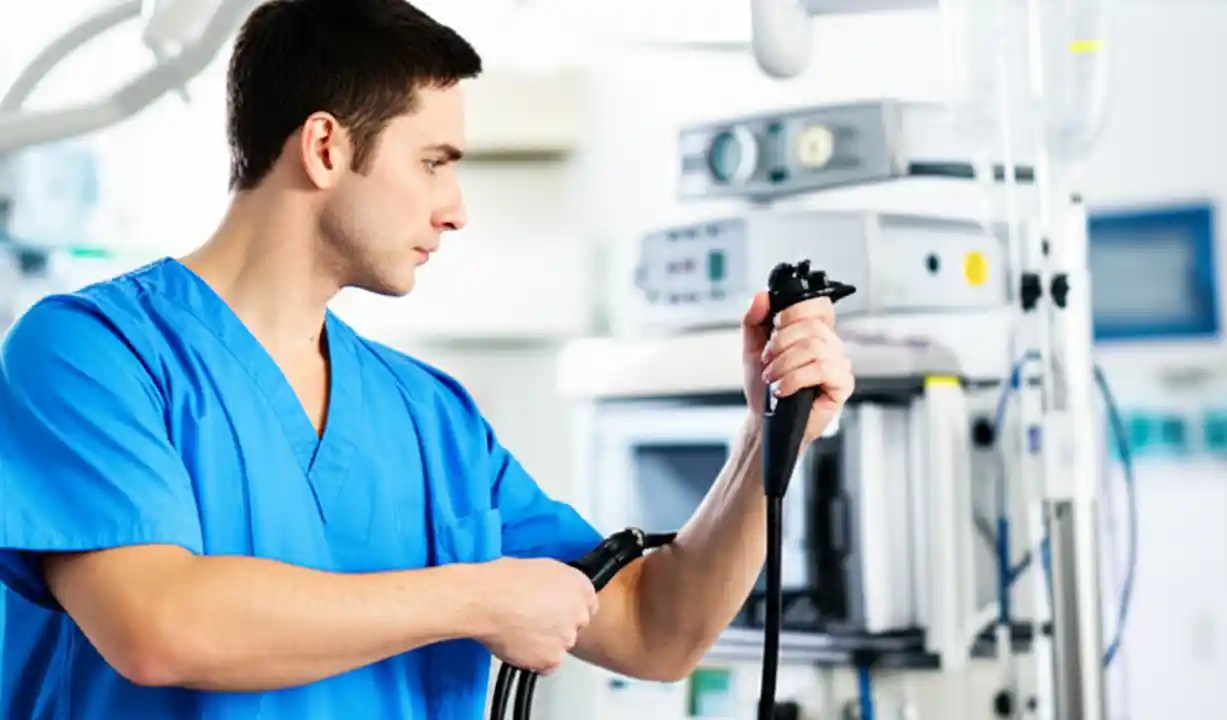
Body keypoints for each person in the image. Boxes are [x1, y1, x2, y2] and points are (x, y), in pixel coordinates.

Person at [0, 1, 855, 718]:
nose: (455, 210)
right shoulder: (90, 352)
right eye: (434, 163)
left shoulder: (426, 416)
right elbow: (157, 625)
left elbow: (655, 630)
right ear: (327, 147)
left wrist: (764, 438)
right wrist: (479, 598)